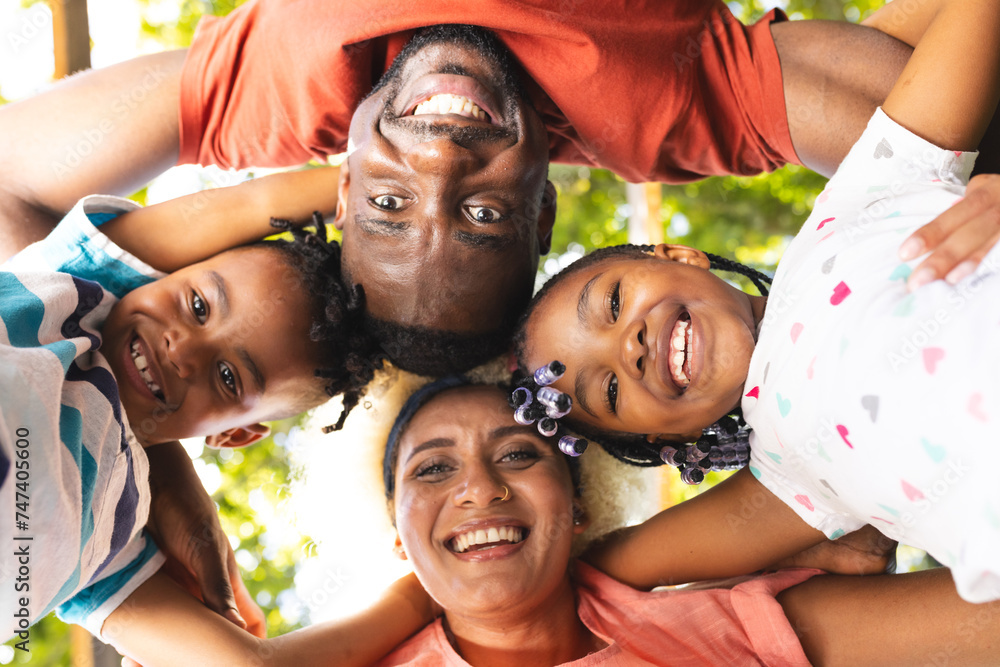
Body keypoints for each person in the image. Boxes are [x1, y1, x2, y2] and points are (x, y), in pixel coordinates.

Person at [3, 1, 1000, 369]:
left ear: (337, 192)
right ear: (545, 200)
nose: (439, 161)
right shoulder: (657, 104)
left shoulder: (274, 87)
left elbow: (11, 180)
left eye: (388, 207)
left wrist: (105, 400)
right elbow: (927, 123)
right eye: (483, 214)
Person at [515, 0, 1000, 603]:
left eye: (612, 304)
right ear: (667, 441)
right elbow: (580, 575)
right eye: (609, 391)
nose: (628, 349)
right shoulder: (785, 483)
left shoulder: (853, 202)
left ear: (678, 256)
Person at [98, 379, 1000, 666]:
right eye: (433, 468)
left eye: (520, 453)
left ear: (578, 508)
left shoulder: (718, 628)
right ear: (397, 534)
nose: (479, 487)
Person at [0, 166, 385, 638]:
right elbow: (251, 203)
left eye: (227, 377)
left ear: (234, 434)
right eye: (199, 306)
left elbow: (246, 661)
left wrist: (422, 601)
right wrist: (381, 190)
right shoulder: (73, 290)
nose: (182, 351)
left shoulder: (125, 534)